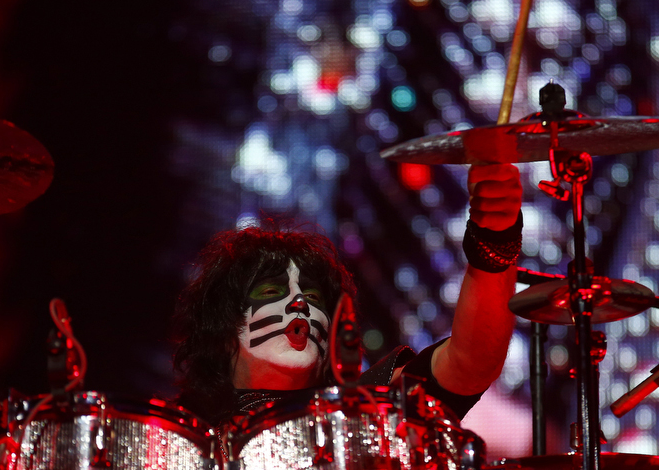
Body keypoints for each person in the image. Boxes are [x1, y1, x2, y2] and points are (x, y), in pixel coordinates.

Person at [172, 163, 523, 425]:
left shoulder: (365, 413)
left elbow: (469, 362)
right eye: (271, 290)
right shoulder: (178, 446)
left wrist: (496, 239)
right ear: (222, 326)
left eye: (312, 295)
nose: (299, 302)